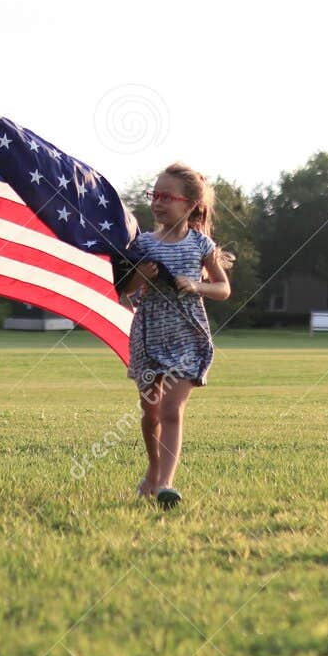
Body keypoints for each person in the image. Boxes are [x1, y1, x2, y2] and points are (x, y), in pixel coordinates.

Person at [117, 163, 234, 509]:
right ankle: (153, 470)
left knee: (171, 410)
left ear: (190, 205)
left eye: (166, 196)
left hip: (187, 336)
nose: (157, 202)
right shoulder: (142, 244)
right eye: (154, 195)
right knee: (149, 412)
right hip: (149, 337)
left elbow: (223, 288)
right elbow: (126, 292)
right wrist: (141, 276)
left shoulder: (202, 244)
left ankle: (166, 483)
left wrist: (196, 284)